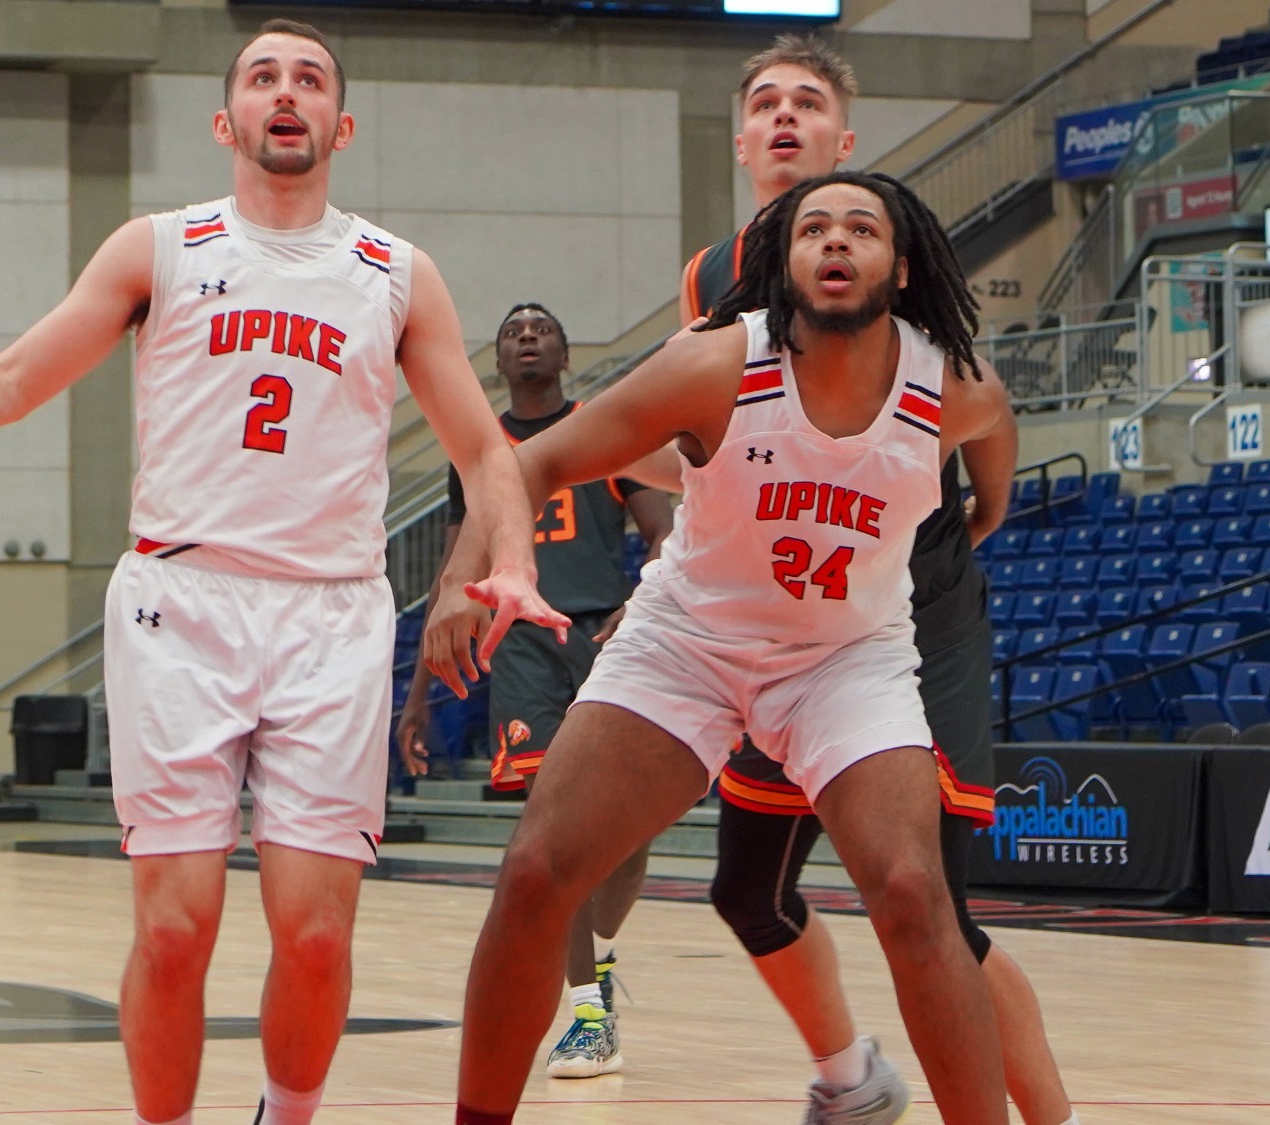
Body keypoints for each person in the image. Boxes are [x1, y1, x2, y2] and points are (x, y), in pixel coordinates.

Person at [0, 19, 566, 1125]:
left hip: (328, 617)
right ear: (227, 120)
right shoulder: (157, 248)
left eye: (307, 80)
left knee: (312, 936)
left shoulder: (394, 274)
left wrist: (515, 559)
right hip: (179, 608)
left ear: (340, 124)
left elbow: (486, 449)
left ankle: (285, 1114)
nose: (284, 94)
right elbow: (14, 379)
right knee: (172, 928)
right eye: (262, 78)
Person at [443, 170, 1011, 1125]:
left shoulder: (949, 382)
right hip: (690, 641)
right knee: (540, 870)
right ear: (784, 267)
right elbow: (530, 458)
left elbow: (997, 425)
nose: (835, 241)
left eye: (861, 228)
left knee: (915, 893)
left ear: (901, 266)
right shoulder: (713, 363)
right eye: (813, 228)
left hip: (846, 659)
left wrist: (988, 505)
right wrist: (491, 564)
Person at [680, 34, 1075, 1125]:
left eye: (806, 102)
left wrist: (986, 498)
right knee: (743, 891)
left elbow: (980, 394)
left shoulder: (890, 246)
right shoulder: (711, 277)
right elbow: (695, 429)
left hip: (906, 605)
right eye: (762, 101)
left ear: (841, 140)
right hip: (779, 607)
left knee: (935, 903)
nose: (782, 117)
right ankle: (851, 1080)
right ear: (743, 138)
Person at [396, 302, 674, 1079]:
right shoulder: (477, 450)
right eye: (512, 328)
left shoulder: (605, 430)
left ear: (563, 350)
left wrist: (642, 598)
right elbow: (456, 569)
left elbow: (664, 530)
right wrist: (419, 693)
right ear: (495, 358)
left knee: (626, 832)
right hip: (520, 640)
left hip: (601, 635)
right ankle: (589, 1015)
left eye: (541, 326)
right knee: (554, 839)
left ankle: (602, 962)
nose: (526, 334)